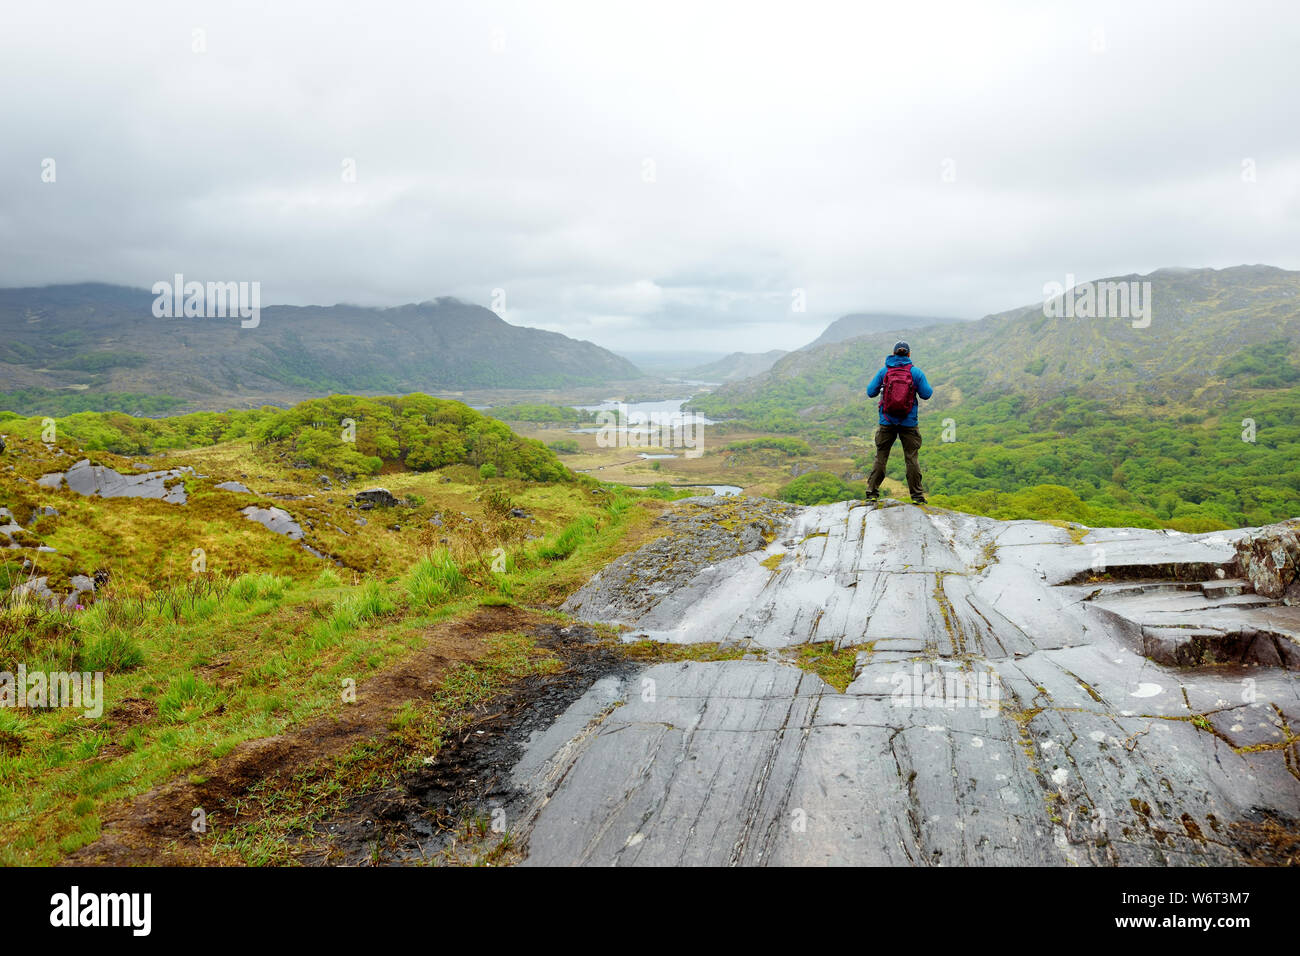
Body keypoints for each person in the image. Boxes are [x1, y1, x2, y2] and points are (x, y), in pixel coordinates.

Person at [864, 341, 933, 504]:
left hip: (886, 421)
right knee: (911, 458)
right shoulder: (915, 372)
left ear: (893, 354)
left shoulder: (884, 371)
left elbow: (870, 392)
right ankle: (917, 497)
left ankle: (872, 493)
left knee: (881, 457)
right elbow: (927, 394)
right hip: (909, 423)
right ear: (909, 355)